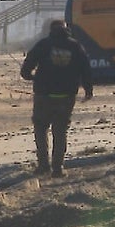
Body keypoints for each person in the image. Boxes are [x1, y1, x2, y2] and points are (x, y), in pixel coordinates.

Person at [20, 19, 93, 177]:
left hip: (44, 94)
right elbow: (86, 69)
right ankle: (58, 167)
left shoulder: (43, 44)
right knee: (60, 131)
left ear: (51, 30)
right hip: (66, 95)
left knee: (41, 128)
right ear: (66, 29)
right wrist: (88, 90)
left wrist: (31, 77)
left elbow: (27, 67)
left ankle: (43, 165)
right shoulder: (75, 46)